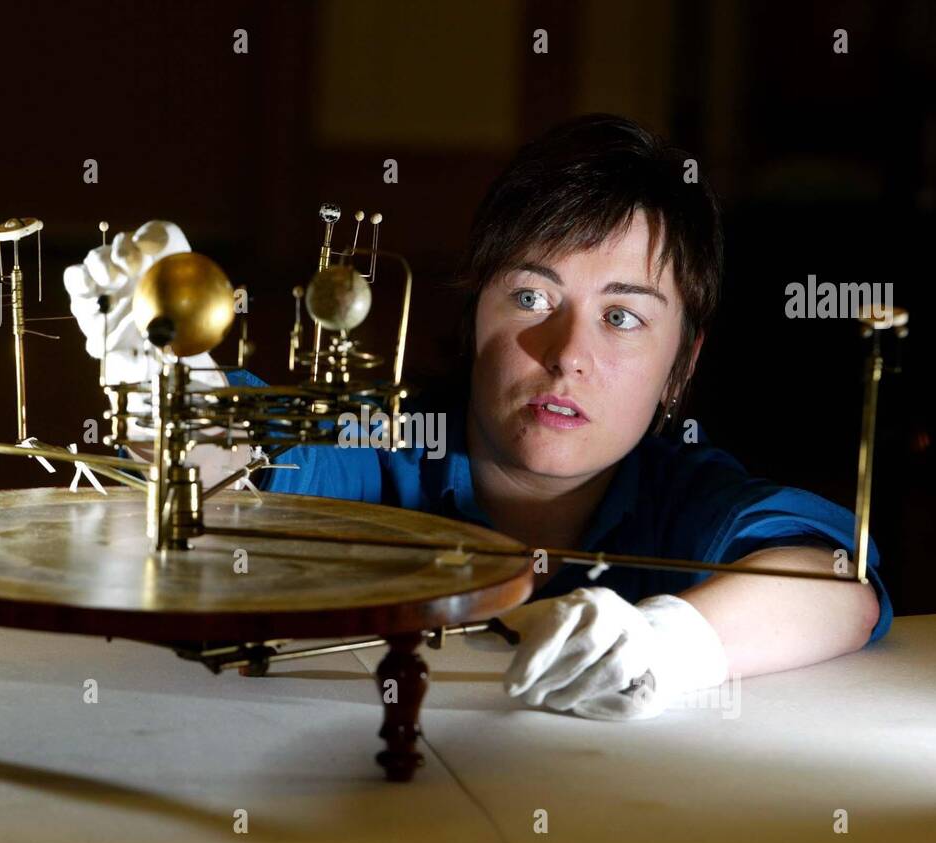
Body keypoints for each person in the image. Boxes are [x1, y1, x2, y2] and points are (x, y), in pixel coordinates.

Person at [232, 114, 892, 721]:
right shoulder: (384, 448)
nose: (568, 354)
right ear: (474, 315)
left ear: (682, 364)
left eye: (622, 317)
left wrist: (666, 642)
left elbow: (839, 585)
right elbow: (231, 449)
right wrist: (158, 379)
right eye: (530, 296)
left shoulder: (683, 498)